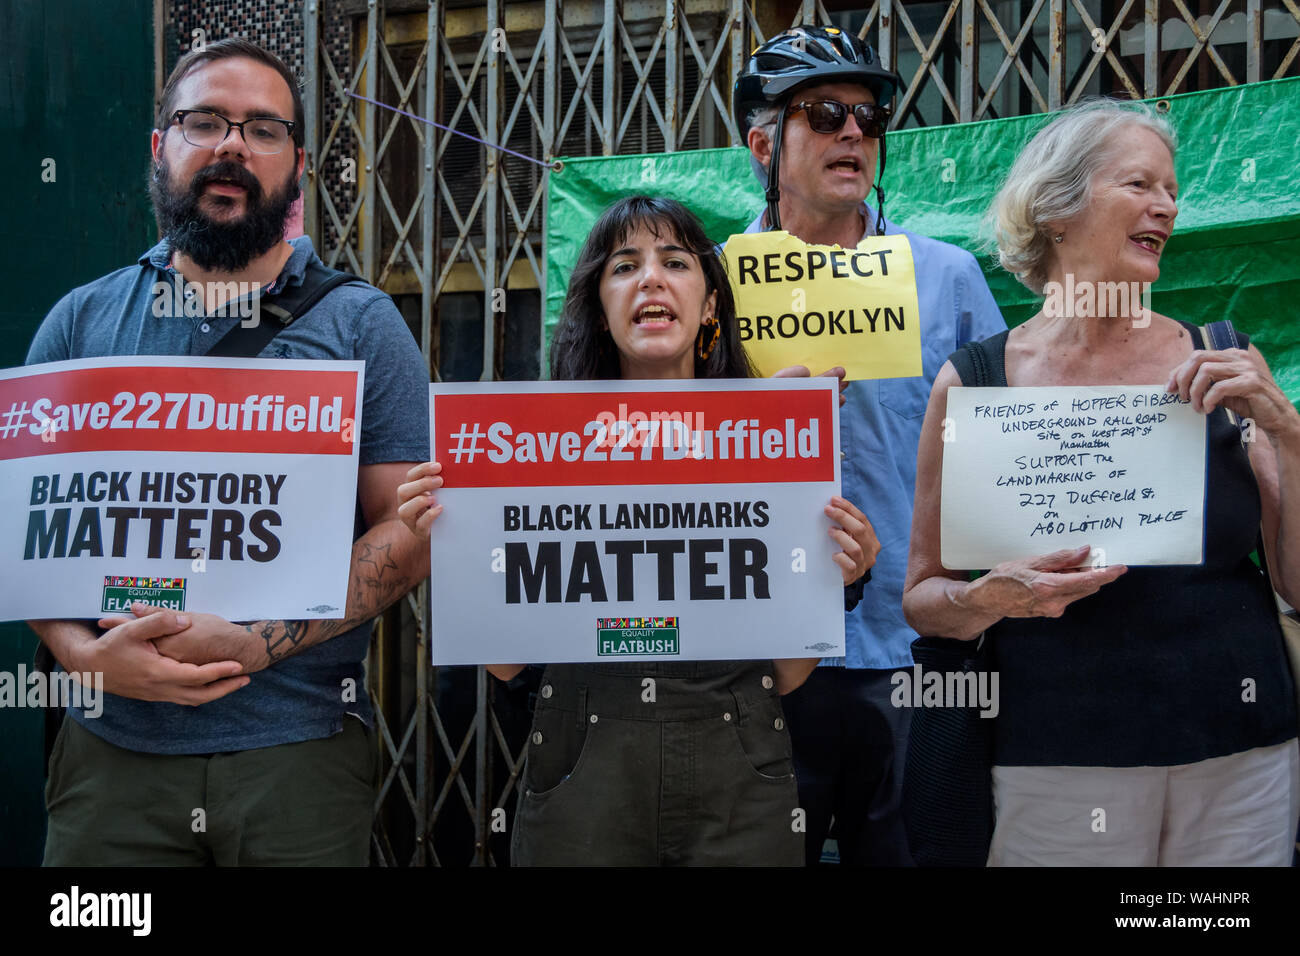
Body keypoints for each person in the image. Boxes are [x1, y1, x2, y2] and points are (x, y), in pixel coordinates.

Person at [25, 39, 430, 865]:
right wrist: (82, 659)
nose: (232, 146)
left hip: (297, 758)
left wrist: (261, 642)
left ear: (300, 163)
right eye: (203, 120)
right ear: (159, 147)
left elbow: (409, 531)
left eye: (263, 129)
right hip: (110, 763)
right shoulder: (79, 323)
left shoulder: (362, 325)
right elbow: (24, 531)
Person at [398, 195, 879, 865]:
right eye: (624, 266)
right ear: (600, 306)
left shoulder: (774, 444)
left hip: (742, 770)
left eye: (675, 262)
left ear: (711, 303)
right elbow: (511, 665)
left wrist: (842, 575)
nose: (651, 279)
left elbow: (789, 677)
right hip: (580, 771)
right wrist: (447, 545)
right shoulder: (526, 451)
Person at [903, 99, 1300, 865]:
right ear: (1057, 208)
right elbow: (925, 599)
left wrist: (1287, 433)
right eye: (1140, 185)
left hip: (1239, 752)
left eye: (1172, 192)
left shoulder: (1222, 357)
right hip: (1053, 754)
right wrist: (988, 598)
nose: (1167, 208)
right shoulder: (976, 381)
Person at [732, 25, 1007, 865]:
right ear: (763, 144)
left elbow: (998, 456)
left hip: (911, 646)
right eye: (824, 113)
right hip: (761, 651)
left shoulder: (948, 275)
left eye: (870, 116)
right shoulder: (708, 283)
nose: (854, 132)